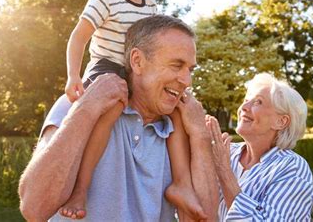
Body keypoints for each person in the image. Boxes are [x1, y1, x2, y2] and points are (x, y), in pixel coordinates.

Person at [52, 0, 201, 219]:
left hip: (136, 70)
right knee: (112, 106)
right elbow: (78, 37)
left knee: (176, 108)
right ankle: (81, 188)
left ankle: (182, 183)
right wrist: (73, 76)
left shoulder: (150, 6)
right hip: (107, 68)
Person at [18, 15, 219, 221]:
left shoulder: (182, 128)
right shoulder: (79, 104)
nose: (187, 81)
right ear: (137, 61)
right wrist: (86, 109)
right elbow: (35, 207)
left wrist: (200, 135)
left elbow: (207, 218)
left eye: (190, 69)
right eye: (176, 65)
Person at [205, 73, 313, 221]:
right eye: (246, 100)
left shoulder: (293, 168)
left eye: (258, 102)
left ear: (281, 121)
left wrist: (223, 171)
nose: (244, 107)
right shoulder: (225, 152)